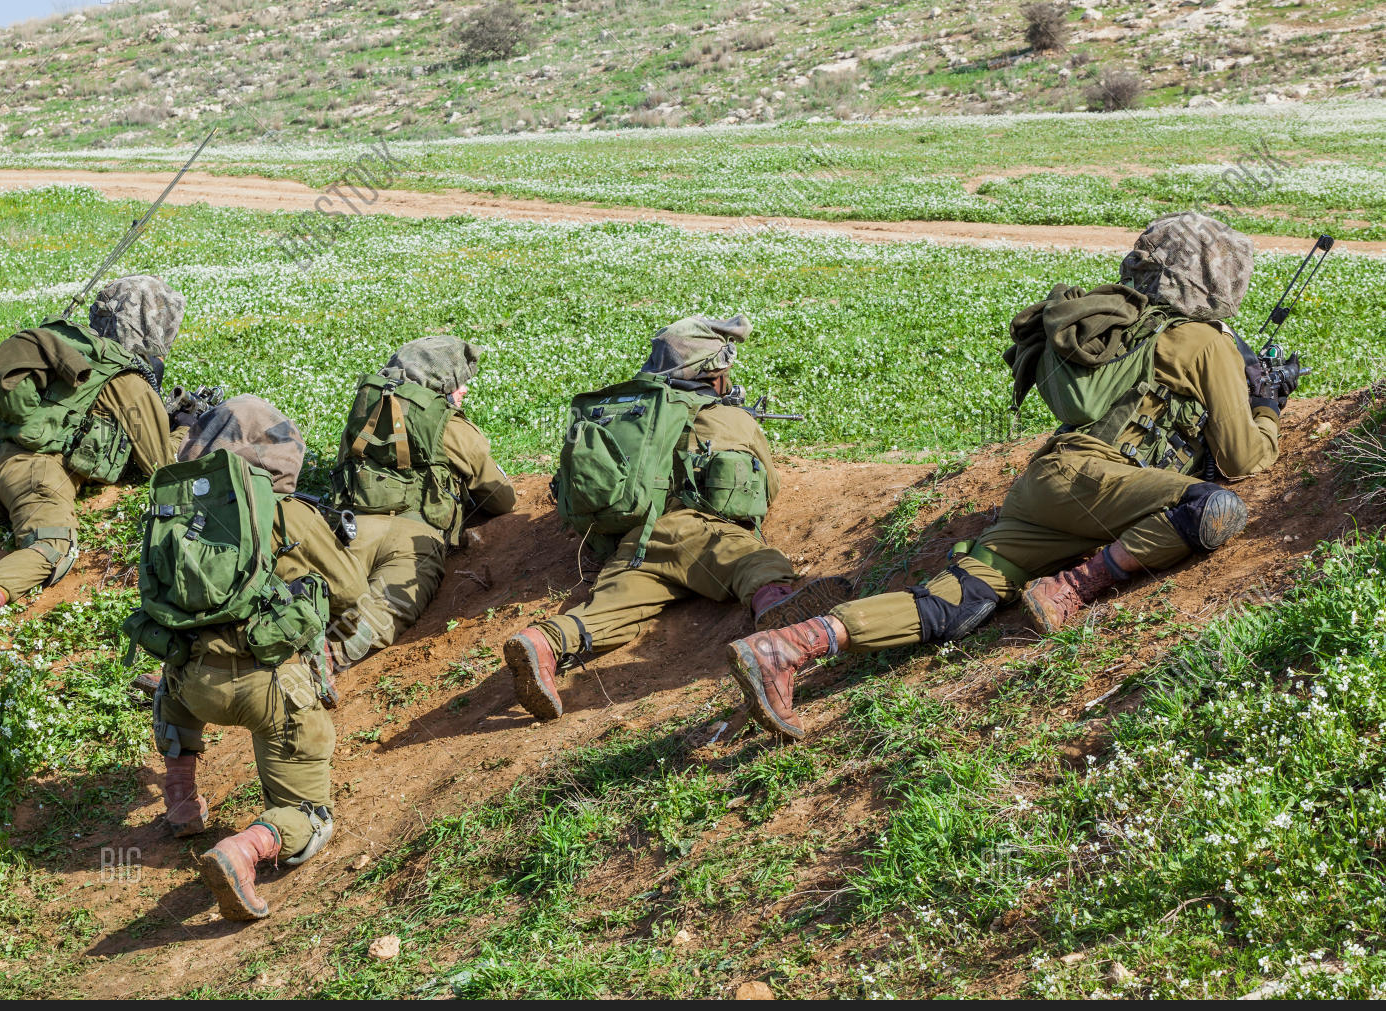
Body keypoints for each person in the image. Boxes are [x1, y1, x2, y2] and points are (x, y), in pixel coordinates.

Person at [728, 212, 1287, 740]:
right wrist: (1266, 403)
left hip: (1051, 488)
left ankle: (790, 646)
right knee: (1210, 509)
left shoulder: (1131, 329)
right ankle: (1073, 586)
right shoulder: (1207, 340)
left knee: (951, 603)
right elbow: (1241, 459)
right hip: (1097, 482)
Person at [502, 314, 849, 721]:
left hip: (635, 539)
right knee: (759, 563)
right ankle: (779, 612)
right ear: (713, 371)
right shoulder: (727, 417)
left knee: (612, 611)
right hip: (698, 532)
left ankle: (544, 640)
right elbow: (767, 488)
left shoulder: (632, 414)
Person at [141, 396, 367, 920]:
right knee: (307, 816)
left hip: (193, 684)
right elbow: (350, 588)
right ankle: (244, 850)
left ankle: (181, 801)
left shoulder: (173, 514)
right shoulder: (289, 514)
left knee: (171, 681)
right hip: (270, 691)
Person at [0, 275, 188, 654]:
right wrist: (184, 430)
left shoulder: (66, 344)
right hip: (40, 475)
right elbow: (159, 464)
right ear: (154, 325)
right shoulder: (127, 377)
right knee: (53, 547)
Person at [325, 336, 516, 669]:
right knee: (388, 606)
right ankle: (330, 657)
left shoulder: (366, 407)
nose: (464, 390)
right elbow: (501, 498)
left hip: (351, 530)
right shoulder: (448, 424)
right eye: (459, 383)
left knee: (322, 597)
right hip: (414, 540)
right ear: (440, 385)